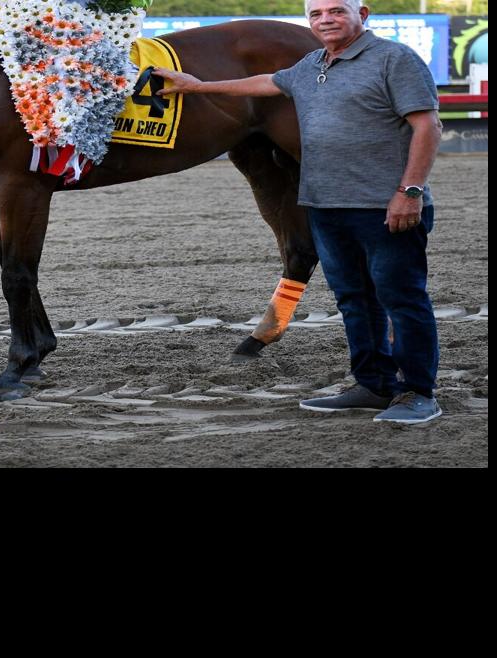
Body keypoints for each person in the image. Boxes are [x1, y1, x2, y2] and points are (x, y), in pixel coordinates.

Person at [156, 0, 445, 424]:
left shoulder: (394, 58)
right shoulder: (312, 64)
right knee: (354, 301)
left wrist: (410, 191)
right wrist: (197, 87)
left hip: (384, 207)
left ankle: (420, 393)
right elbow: (264, 84)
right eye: (316, 14)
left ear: (361, 14)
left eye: (336, 11)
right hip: (325, 207)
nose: (325, 20)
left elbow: (428, 126)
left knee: (401, 299)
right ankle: (375, 385)